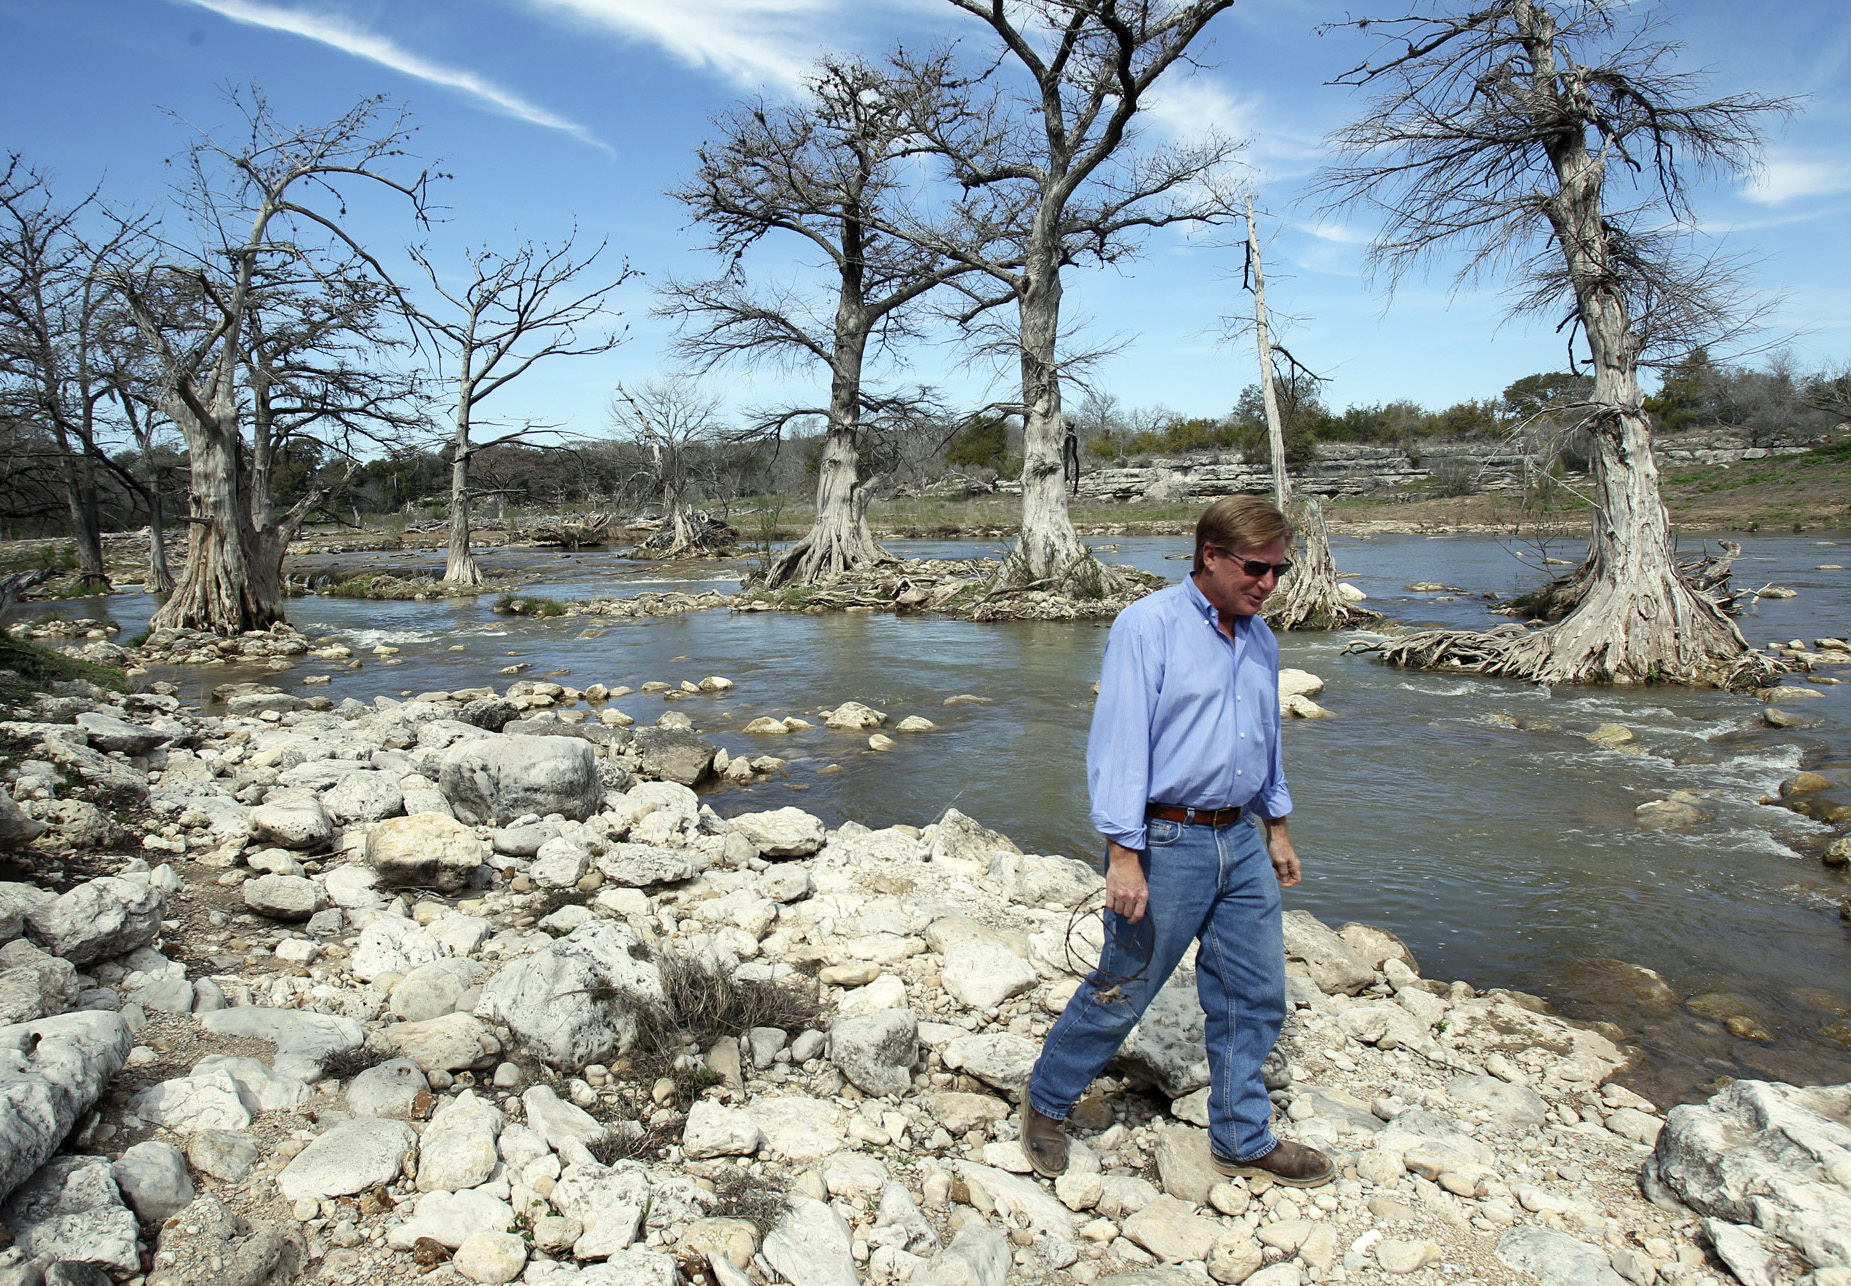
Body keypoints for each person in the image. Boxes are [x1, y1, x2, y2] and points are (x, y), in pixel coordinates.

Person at [1019, 495, 1334, 1188]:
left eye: (1279, 570)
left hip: (1240, 839)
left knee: (1255, 993)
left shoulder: (1259, 636)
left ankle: (1242, 1136)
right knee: (1126, 986)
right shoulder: (1147, 626)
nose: (1268, 583)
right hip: (1165, 841)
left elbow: (1265, 740)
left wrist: (1277, 827)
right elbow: (1119, 744)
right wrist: (1123, 856)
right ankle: (1046, 1101)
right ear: (1210, 555)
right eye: (1256, 568)